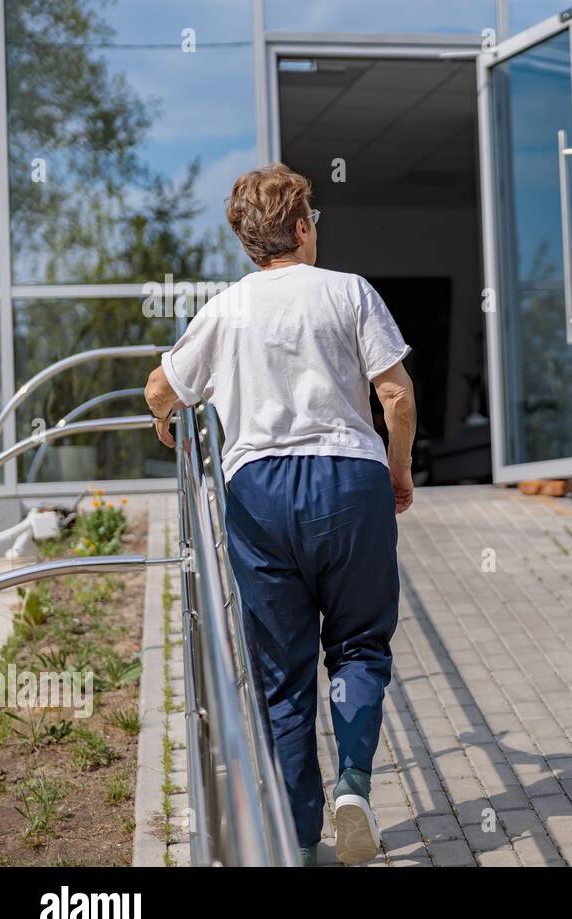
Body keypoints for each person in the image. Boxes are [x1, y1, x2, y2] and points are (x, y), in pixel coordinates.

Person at [144, 163, 417, 867]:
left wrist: (169, 422)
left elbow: (159, 389)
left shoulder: (226, 308)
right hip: (352, 485)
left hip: (259, 493)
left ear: (248, 242)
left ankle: (298, 839)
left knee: (281, 672)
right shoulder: (350, 293)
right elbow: (397, 397)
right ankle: (354, 783)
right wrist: (397, 468)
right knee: (358, 645)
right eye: (313, 221)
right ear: (301, 228)